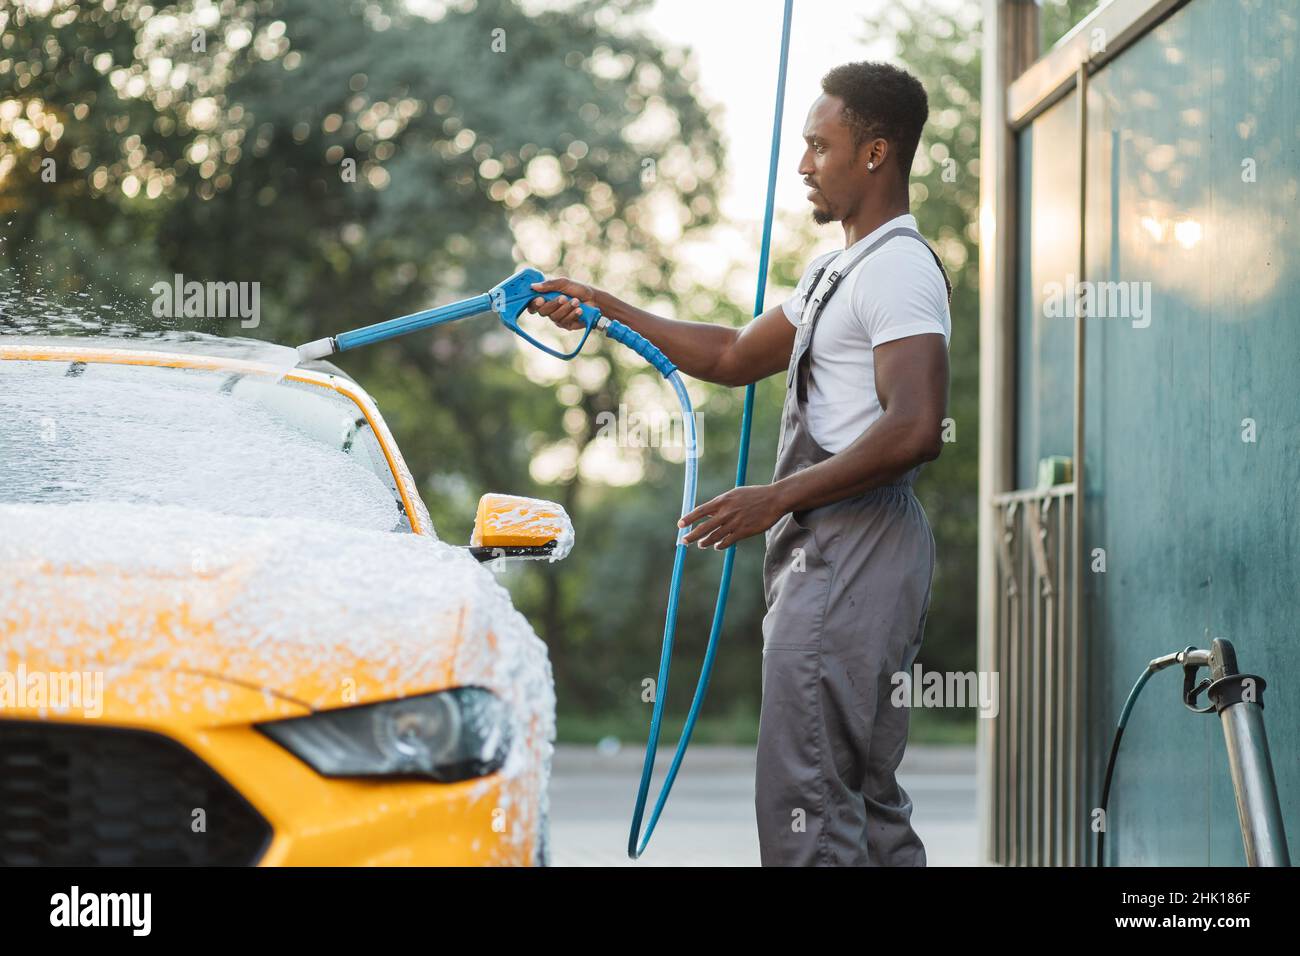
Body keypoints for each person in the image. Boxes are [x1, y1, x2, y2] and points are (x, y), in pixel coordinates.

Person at [527, 60, 952, 866]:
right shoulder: (837, 270)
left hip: (855, 553)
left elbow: (917, 428)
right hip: (831, 554)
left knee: (813, 801)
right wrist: (602, 306)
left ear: (875, 154)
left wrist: (776, 498)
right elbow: (727, 354)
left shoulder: (898, 267)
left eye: (820, 146)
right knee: (857, 800)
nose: (803, 166)